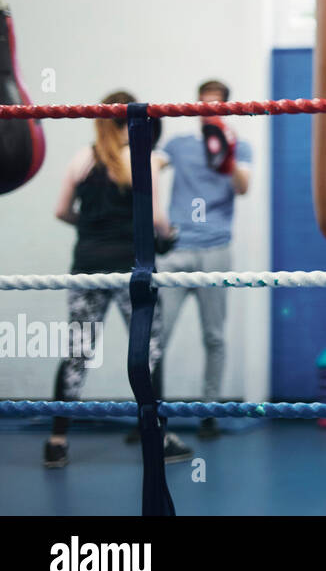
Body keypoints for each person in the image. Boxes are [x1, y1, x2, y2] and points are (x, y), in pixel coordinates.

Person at [46, 90, 193, 467]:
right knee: (148, 352)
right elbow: (158, 220)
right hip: (132, 269)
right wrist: (170, 234)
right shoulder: (141, 160)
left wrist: (94, 229)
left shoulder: (82, 158)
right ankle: (157, 439)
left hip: (87, 266)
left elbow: (61, 210)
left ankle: (57, 441)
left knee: (77, 354)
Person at [153, 79, 251, 439]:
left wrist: (228, 154)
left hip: (216, 250)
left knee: (214, 336)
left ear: (226, 107)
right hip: (177, 250)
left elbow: (243, 187)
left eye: (214, 104)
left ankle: (209, 412)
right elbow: (148, 164)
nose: (207, 109)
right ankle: (150, 415)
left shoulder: (242, 147)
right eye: (202, 103)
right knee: (155, 336)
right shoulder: (178, 144)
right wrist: (157, 218)